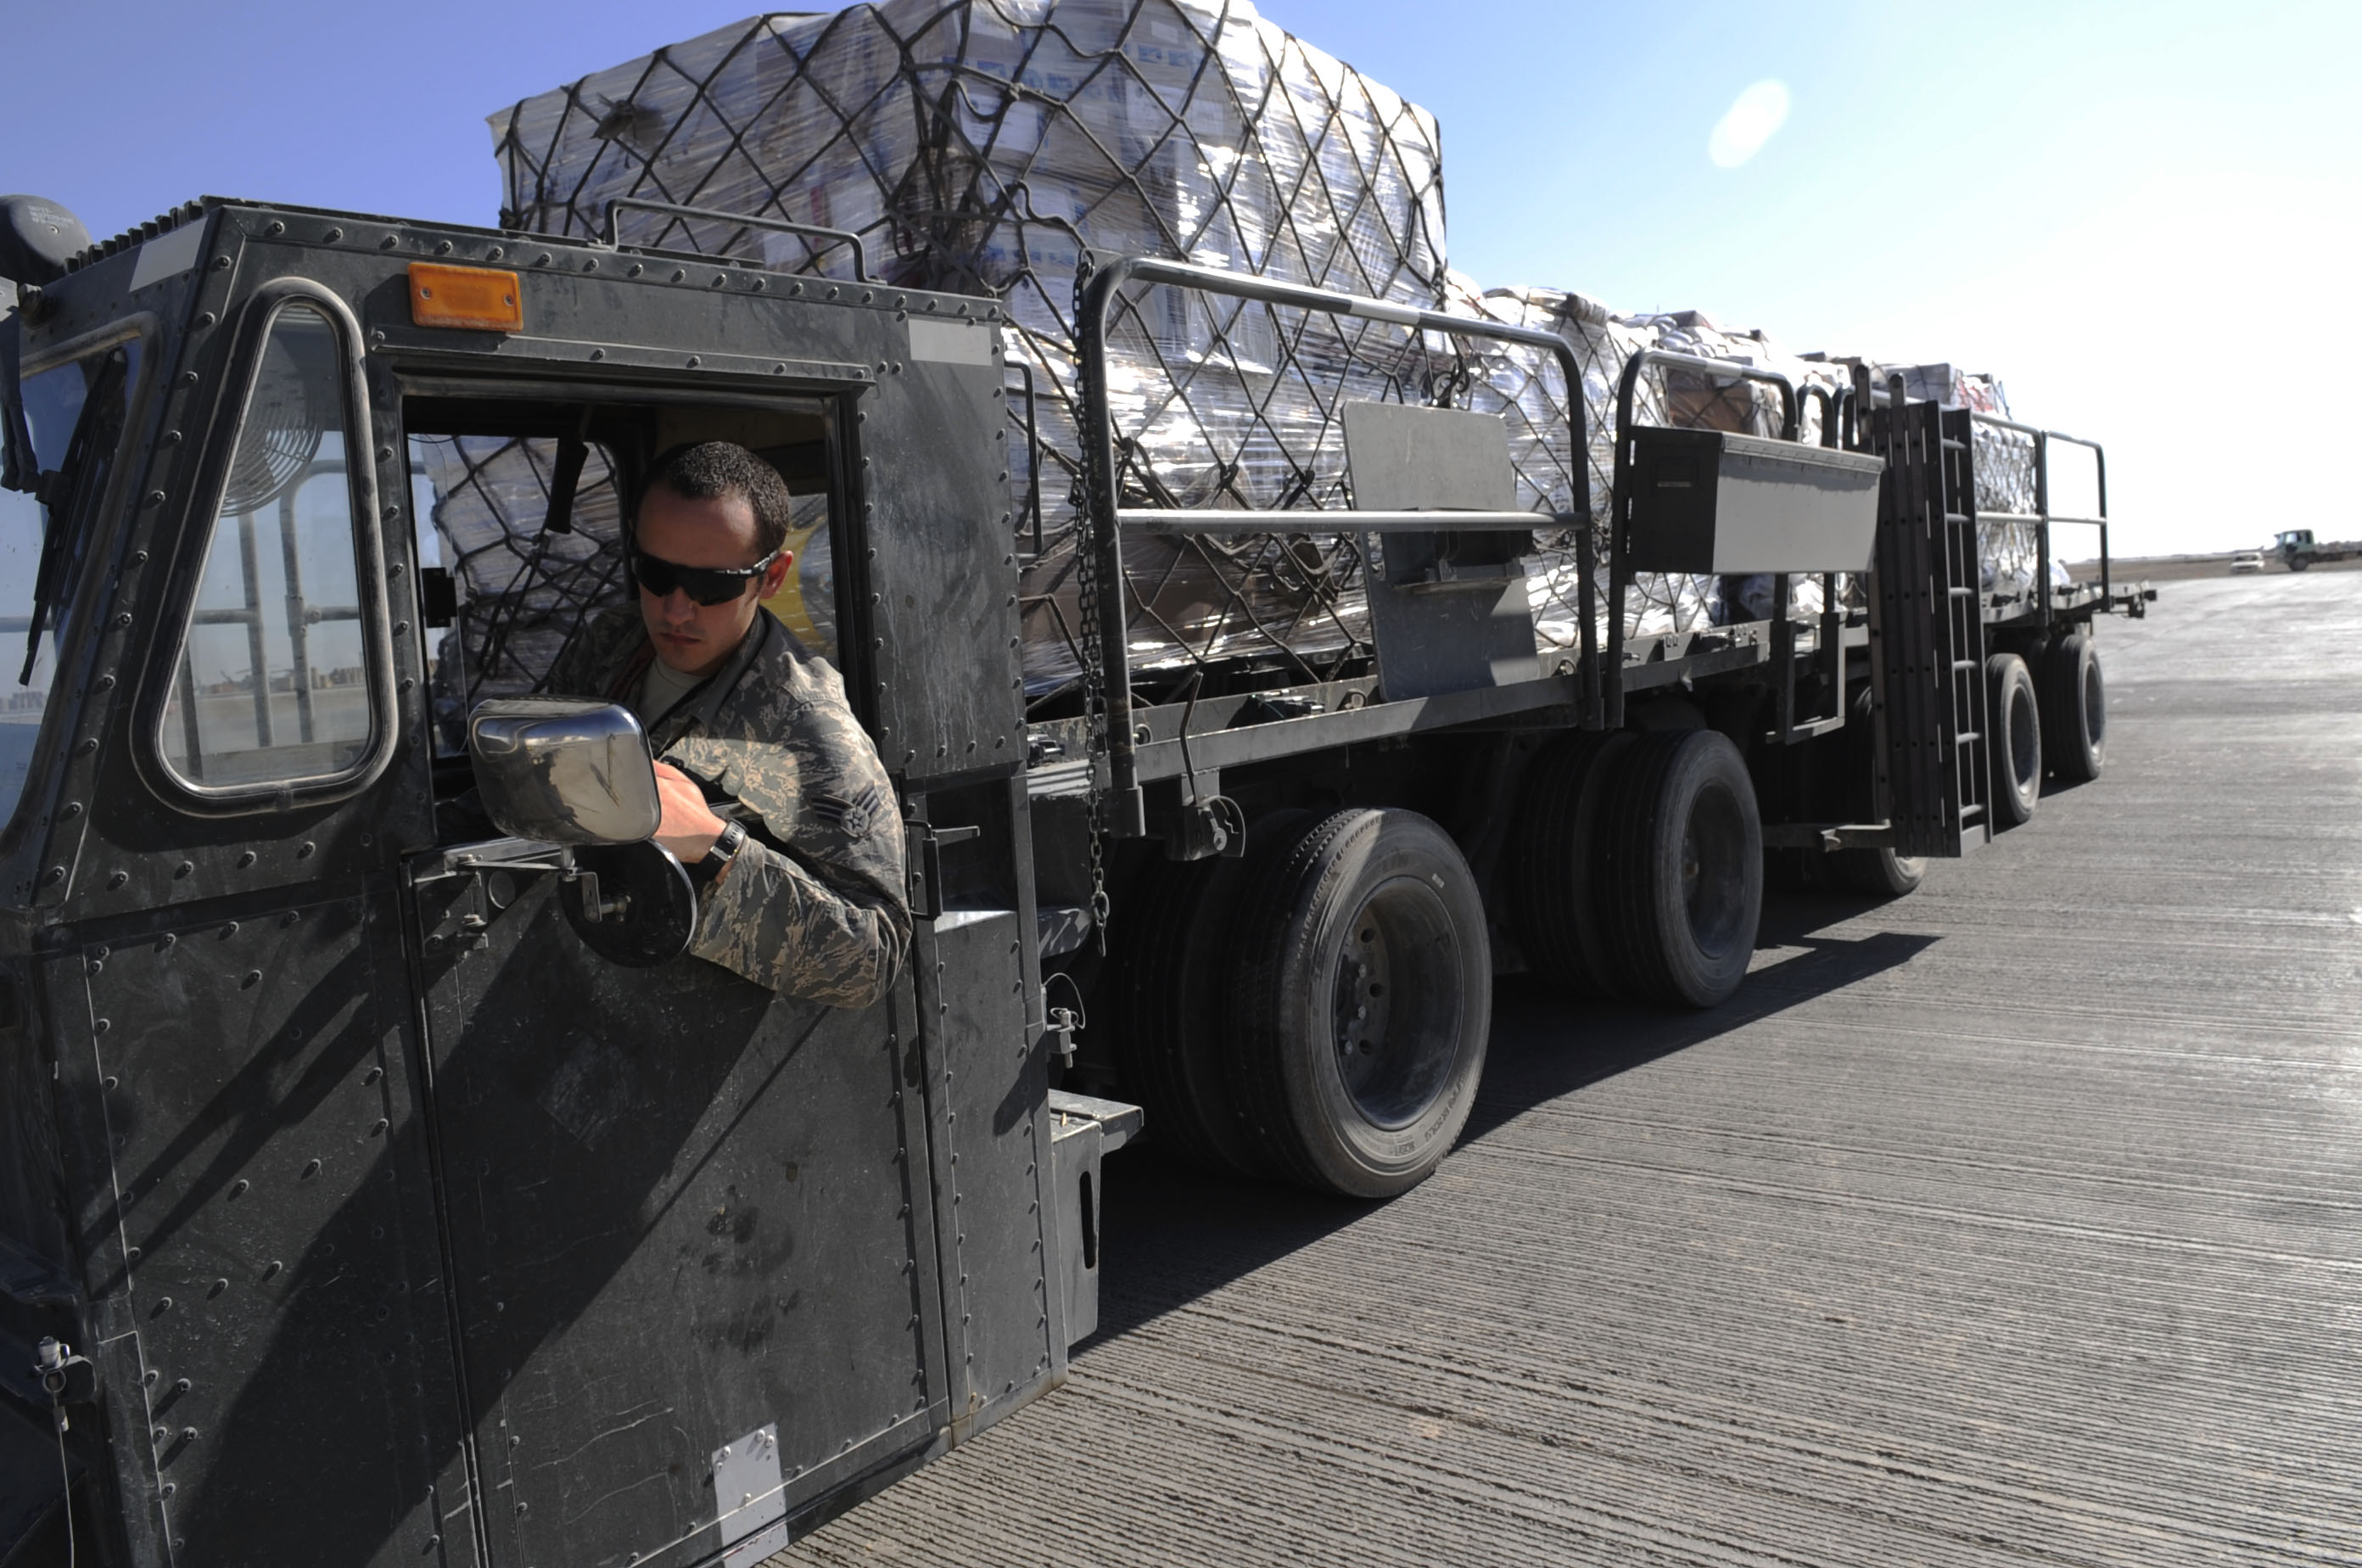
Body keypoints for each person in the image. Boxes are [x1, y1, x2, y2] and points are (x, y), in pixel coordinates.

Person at [548, 440, 908, 1006]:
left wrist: (716, 850)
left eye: (712, 587)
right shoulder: (610, 645)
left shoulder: (806, 729)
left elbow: (871, 959)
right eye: (656, 573)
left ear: (771, 578)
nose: (676, 610)